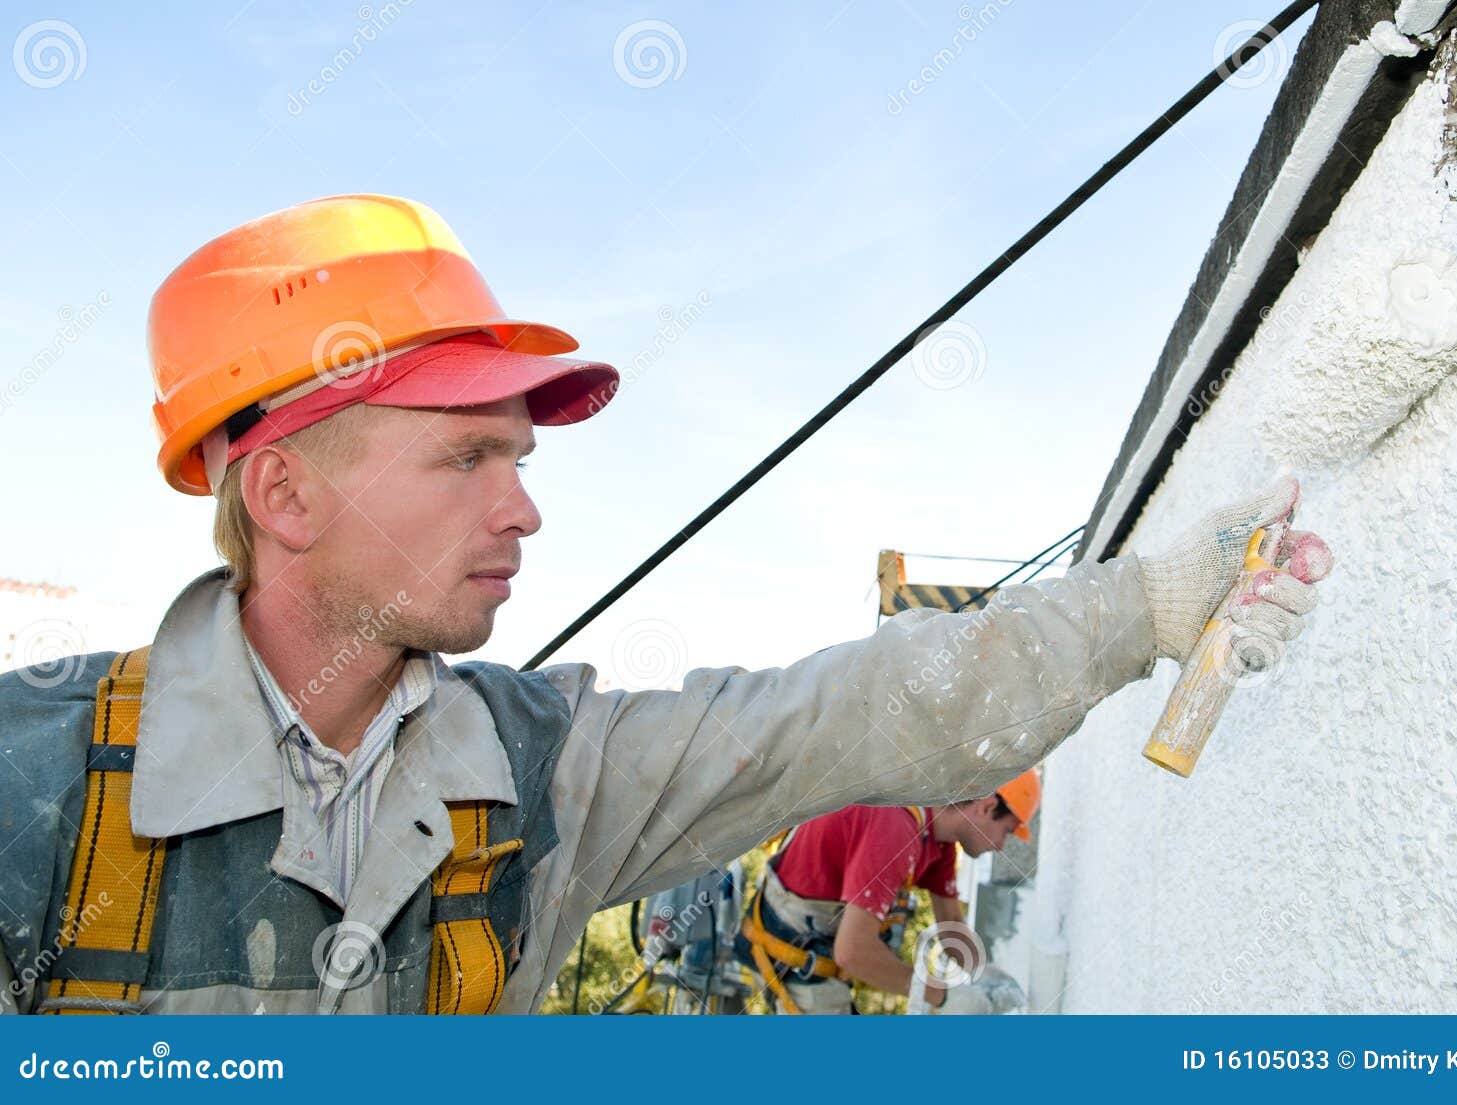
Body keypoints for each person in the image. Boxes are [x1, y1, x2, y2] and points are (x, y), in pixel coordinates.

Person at [0, 194, 1333, 1014]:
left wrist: (1150, 603)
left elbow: (836, 716)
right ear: (286, 492)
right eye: (465, 458)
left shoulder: (540, 768)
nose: (522, 510)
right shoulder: (33, 789)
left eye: (520, 462)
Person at [739, 769, 1042, 1014]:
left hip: (822, 943)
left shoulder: (940, 837)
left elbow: (951, 924)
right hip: (792, 947)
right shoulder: (896, 827)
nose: (1000, 846)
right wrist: (942, 997)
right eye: (1006, 831)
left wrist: (984, 974)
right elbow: (852, 951)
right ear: (987, 807)